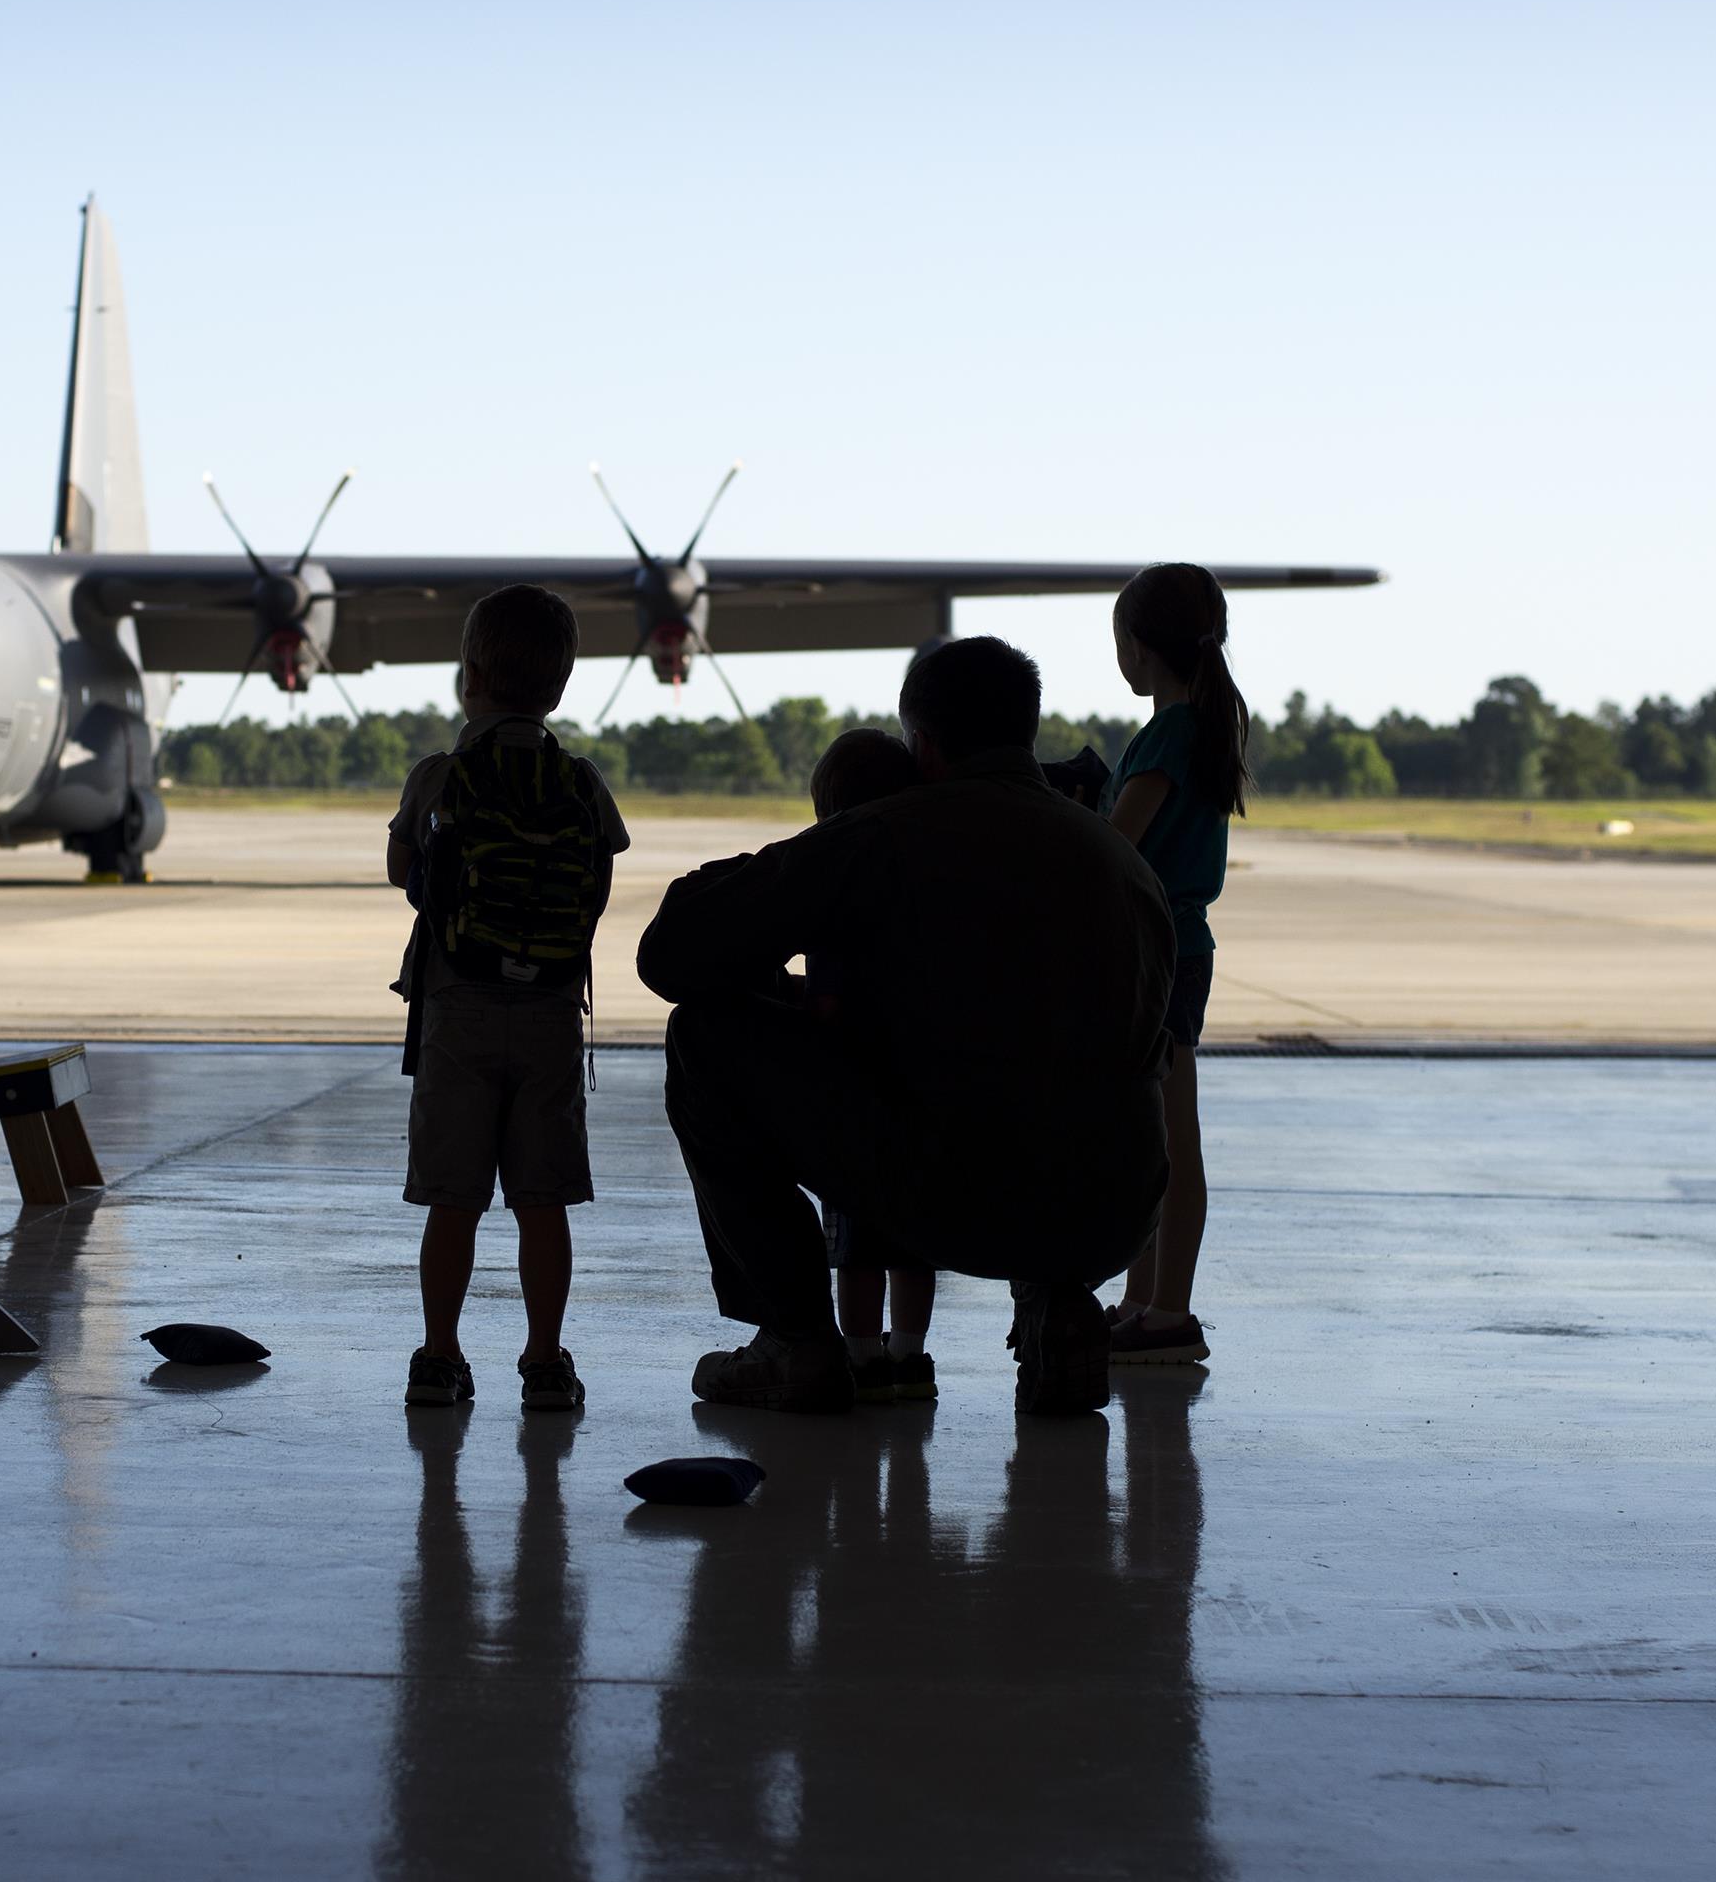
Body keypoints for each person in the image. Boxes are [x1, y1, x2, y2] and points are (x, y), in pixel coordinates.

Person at [637, 636, 1174, 1417]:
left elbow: (672, 959)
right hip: (1111, 1214)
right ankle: (1055, 1304)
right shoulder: (1123, 861)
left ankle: (797, 1342)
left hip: (954, 1199)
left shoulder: (887, 833)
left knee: (703, 1036)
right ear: (1026, 731)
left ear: (920, 743)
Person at [386, 585, 629, 1413]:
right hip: (554, 1015)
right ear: (559, 689)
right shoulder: (583, 782)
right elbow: (596, 887)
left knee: (453, 1199)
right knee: (542, 1199)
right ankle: (544, 1360)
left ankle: (440, 1356)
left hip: (457, 1009)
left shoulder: (440, 776)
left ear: (470, 675)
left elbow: (402, 874)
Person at [1102, 564, 1248, 1365]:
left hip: (1158, 950)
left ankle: (1168, 1310)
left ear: (1141, 648)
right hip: (1175, 946)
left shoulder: (1168, 736)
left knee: (1166, 1141)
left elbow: (1117, 844)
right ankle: (1144, 1298)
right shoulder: (1201, 728)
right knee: (1154, 1134)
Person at [802, 727, 937, 1401]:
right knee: (914, 1246)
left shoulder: (839, 895)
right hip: (924, 1098)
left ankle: (860, 1358)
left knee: (856, 1249)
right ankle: (911, 1359)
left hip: (858, 1102)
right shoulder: (929, 890)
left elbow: (826, 1003)